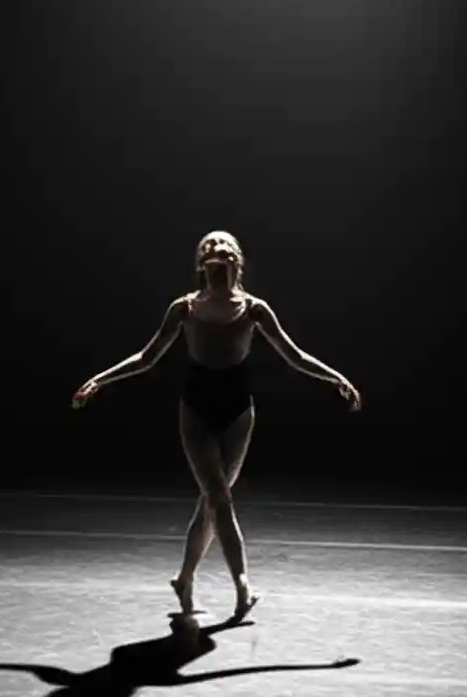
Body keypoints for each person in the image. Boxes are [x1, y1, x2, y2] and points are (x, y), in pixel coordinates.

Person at [71, 230, 361, 622]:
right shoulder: (184, 308)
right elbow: (147, 357)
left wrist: (335, 378)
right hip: (197, 410)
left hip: (238, 411)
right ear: (200, 262)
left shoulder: (254, 309)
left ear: (236, 260)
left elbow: (293, 355)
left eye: (224, 244)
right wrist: (99, 380)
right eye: (209, 245)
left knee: (212, 500)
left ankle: (184, 578)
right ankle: (242, 584)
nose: (216, 247)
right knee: (219, 496)